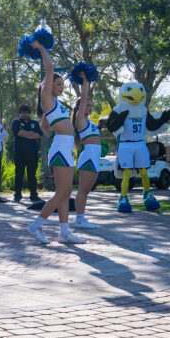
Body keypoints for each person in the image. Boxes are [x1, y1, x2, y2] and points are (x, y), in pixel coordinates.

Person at [27, 42, 86, 244]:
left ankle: (64, 232)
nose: (61, 87)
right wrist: (42, 48)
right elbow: (50, 67)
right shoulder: (47, 99)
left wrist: (49, 132)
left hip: (64, 148)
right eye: (58, 84)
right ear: (47, 84)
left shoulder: (56, 104)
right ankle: (36, 225)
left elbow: (44, 126)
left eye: (62, 84)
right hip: (60, 148)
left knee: (66, 192)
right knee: (61, 193)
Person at [71, 72, 100, 229]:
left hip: (94, 158)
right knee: (82, 190)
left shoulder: (90, 121)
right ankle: (79, 219)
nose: (90, 107)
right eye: (87, 105)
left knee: (87, 190)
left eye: (91, 105)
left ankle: (81, 217)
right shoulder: (80, 119)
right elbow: (83, 98)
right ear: (80, 107)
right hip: (88, 156)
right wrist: (84, 81)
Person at [11, 105, 43, 202]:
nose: (24, 114)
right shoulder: (16, 122)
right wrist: (31, 134)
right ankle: (17, 195)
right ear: (19, 113)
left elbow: (38, 135)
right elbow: (19, 133)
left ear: (29, 113)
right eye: (22, 112)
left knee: (32, 175)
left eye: (26, 112)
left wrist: (25, 132)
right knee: (19, 174)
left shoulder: (35, 123)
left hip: (33, 153)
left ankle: (33, 195)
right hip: (19, 153)